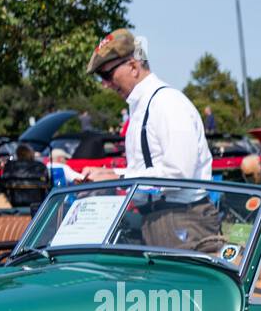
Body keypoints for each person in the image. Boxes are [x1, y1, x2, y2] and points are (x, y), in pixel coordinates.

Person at [81, 29, 217, 250]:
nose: (105, 84)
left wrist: (117, 176)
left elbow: (178, 174)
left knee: (181, 286)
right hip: (158, 219)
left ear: (133, 66)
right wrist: (109, 178)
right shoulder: (141, 107)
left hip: (182, 220)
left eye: (107, 75)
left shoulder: (167, 103)